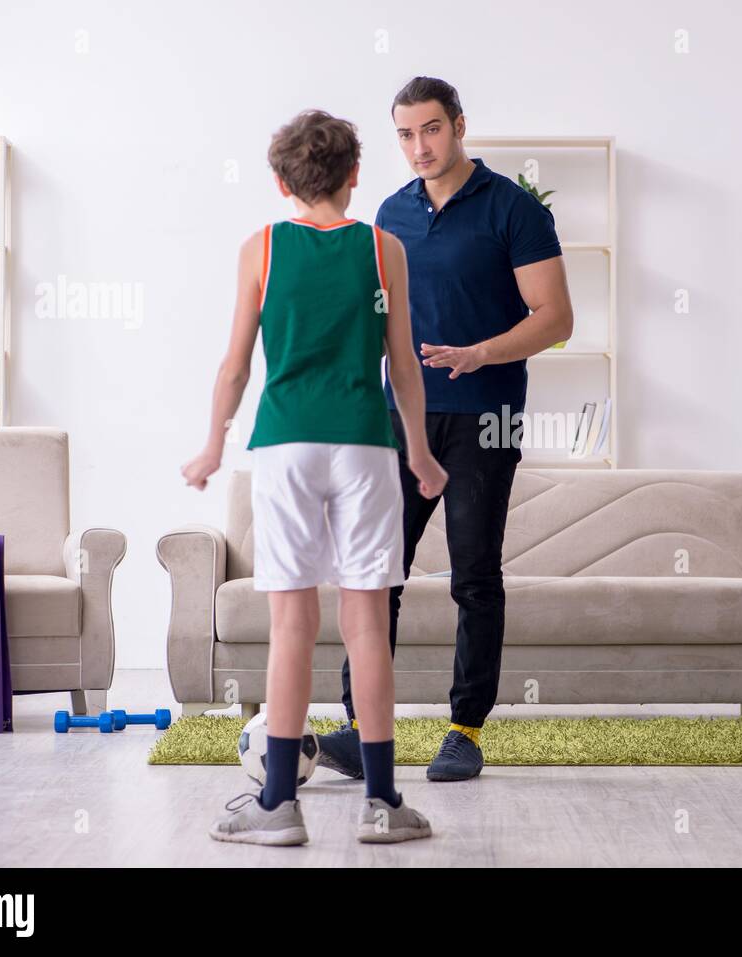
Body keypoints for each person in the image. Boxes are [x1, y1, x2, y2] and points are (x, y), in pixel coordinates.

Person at [181, 108, 447, 845]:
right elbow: (405, 365)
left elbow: (235, 364)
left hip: (286, 447)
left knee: (291, 623)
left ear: (280, 182)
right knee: (367, 623)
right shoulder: (384, 247)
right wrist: (420, 452)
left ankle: (277, 806)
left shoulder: (260, 247)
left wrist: (211, 447)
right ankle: (384, 803)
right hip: (365, 446)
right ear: (356, 176)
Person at [318, 77, 573, 783]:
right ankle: (363, 726)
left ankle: (465, 729)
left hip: (485, 416)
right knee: (376, 574)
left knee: (474, 574)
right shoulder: (389, 214)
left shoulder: (512, 209)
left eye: (430, 129)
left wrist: (479, 353)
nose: (419, 146)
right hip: (400, 418)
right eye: (404, 134)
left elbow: (555, 317)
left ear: (459, 125)